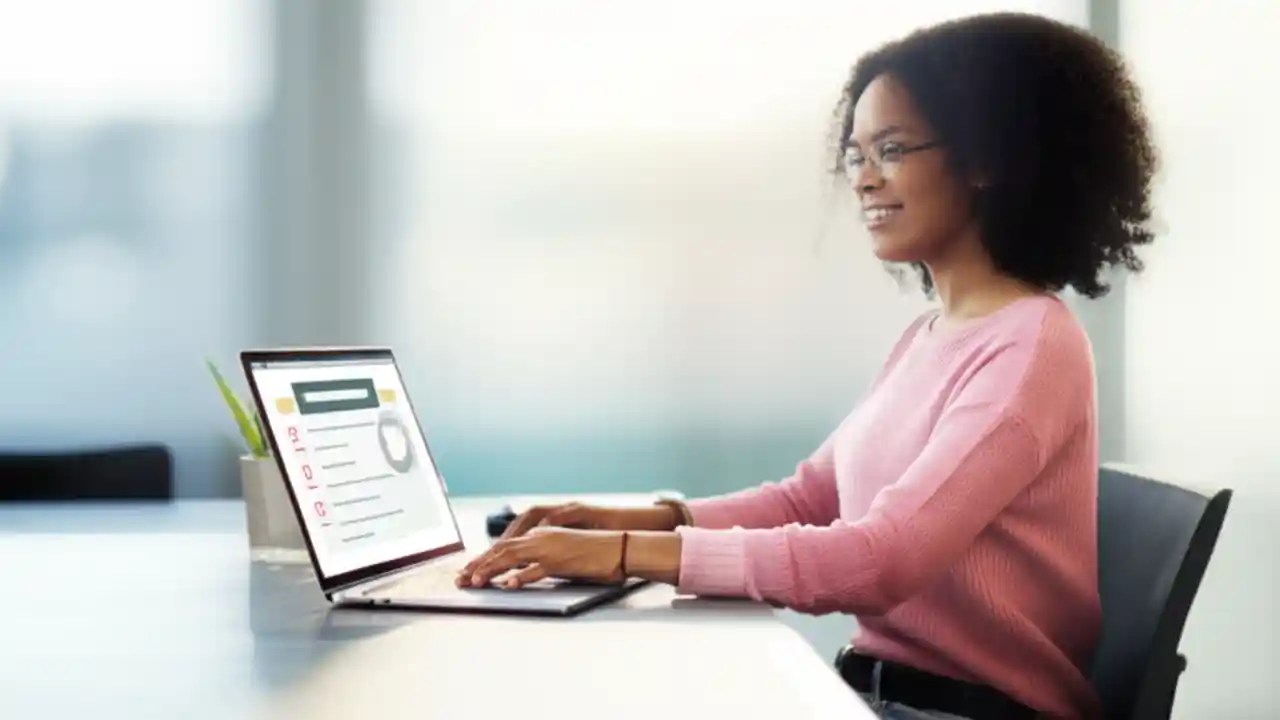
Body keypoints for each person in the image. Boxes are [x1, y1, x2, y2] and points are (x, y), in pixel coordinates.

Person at [457, 11, 1156, 719]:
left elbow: (881, 560)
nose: (864, 180)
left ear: (984, 161)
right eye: (856, 155)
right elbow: (808, 499)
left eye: (892, 148)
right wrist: (632, 521)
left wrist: (623, 556)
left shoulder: (1033, 346)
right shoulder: (930, 337)